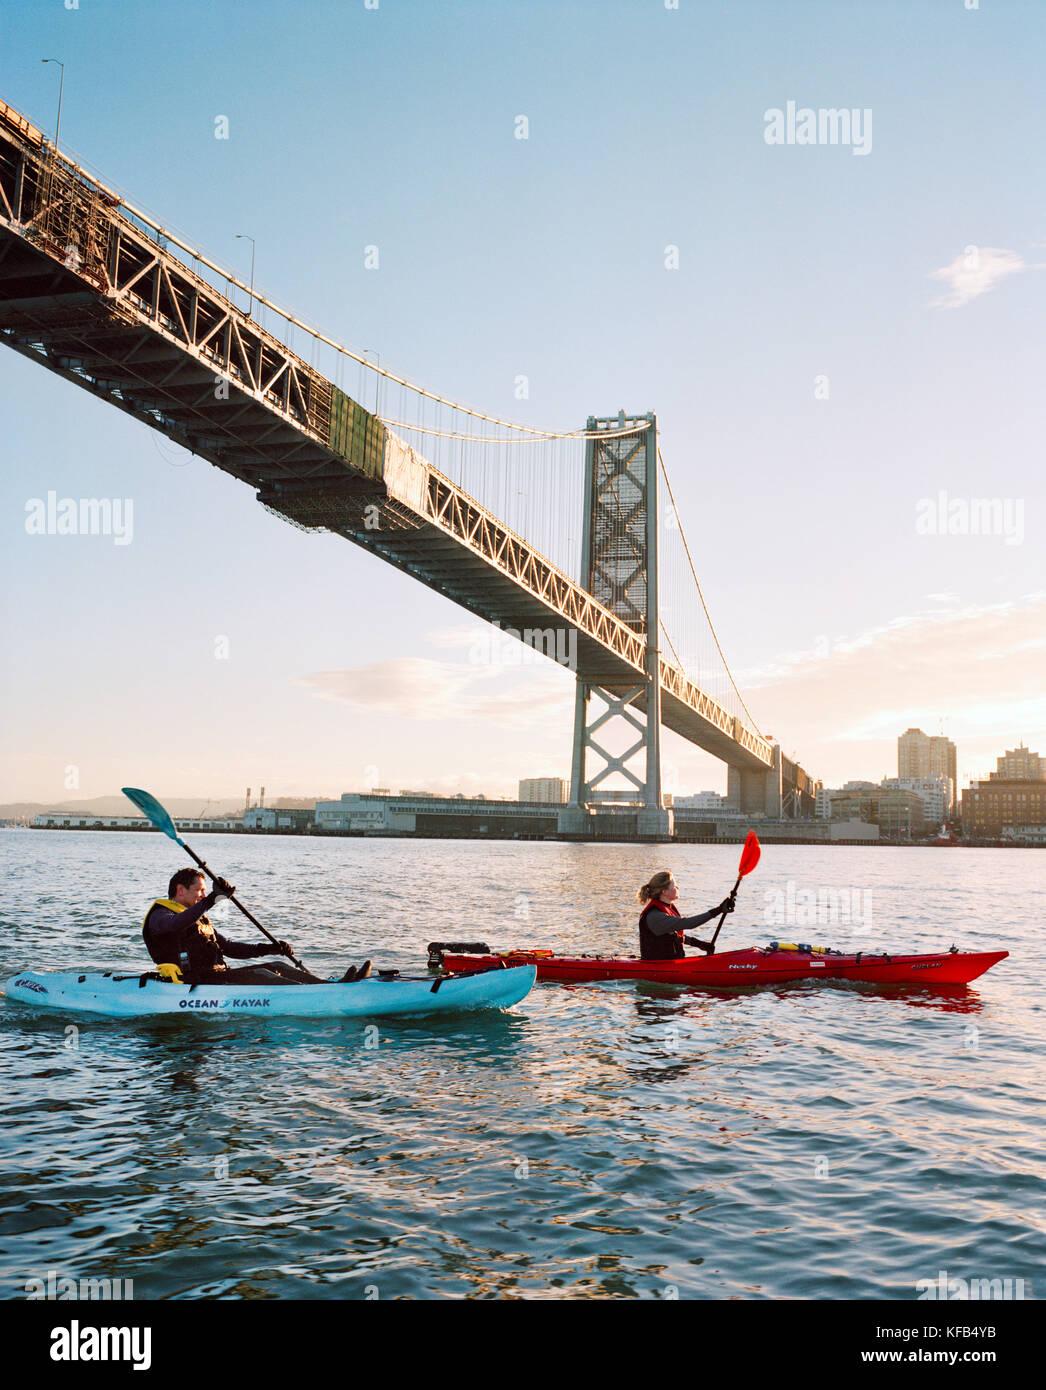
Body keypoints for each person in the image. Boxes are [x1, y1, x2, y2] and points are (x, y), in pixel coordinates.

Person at [142, 868, 370, 985]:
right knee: (263, 974)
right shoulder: (160, 916)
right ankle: (324, 993)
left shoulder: (198, 918)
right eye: (199, 890)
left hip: (217, 976)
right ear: (181, 890)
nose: (202, 895)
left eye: (204, 891)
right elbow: (175, 926)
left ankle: (330, 985)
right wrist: (213, 898)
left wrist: (269, 948)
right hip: (192, 981)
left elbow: (229, 948)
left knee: (277, 964)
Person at [637, 870, 735, 961]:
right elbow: (688, 923)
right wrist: (718, 910)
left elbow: (674, 936)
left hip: (671, 962)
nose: (678, 888)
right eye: (674, 886)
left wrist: (700, 944)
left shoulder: (667, 908)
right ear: (664, 891)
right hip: (658, 965)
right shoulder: (655, 916)